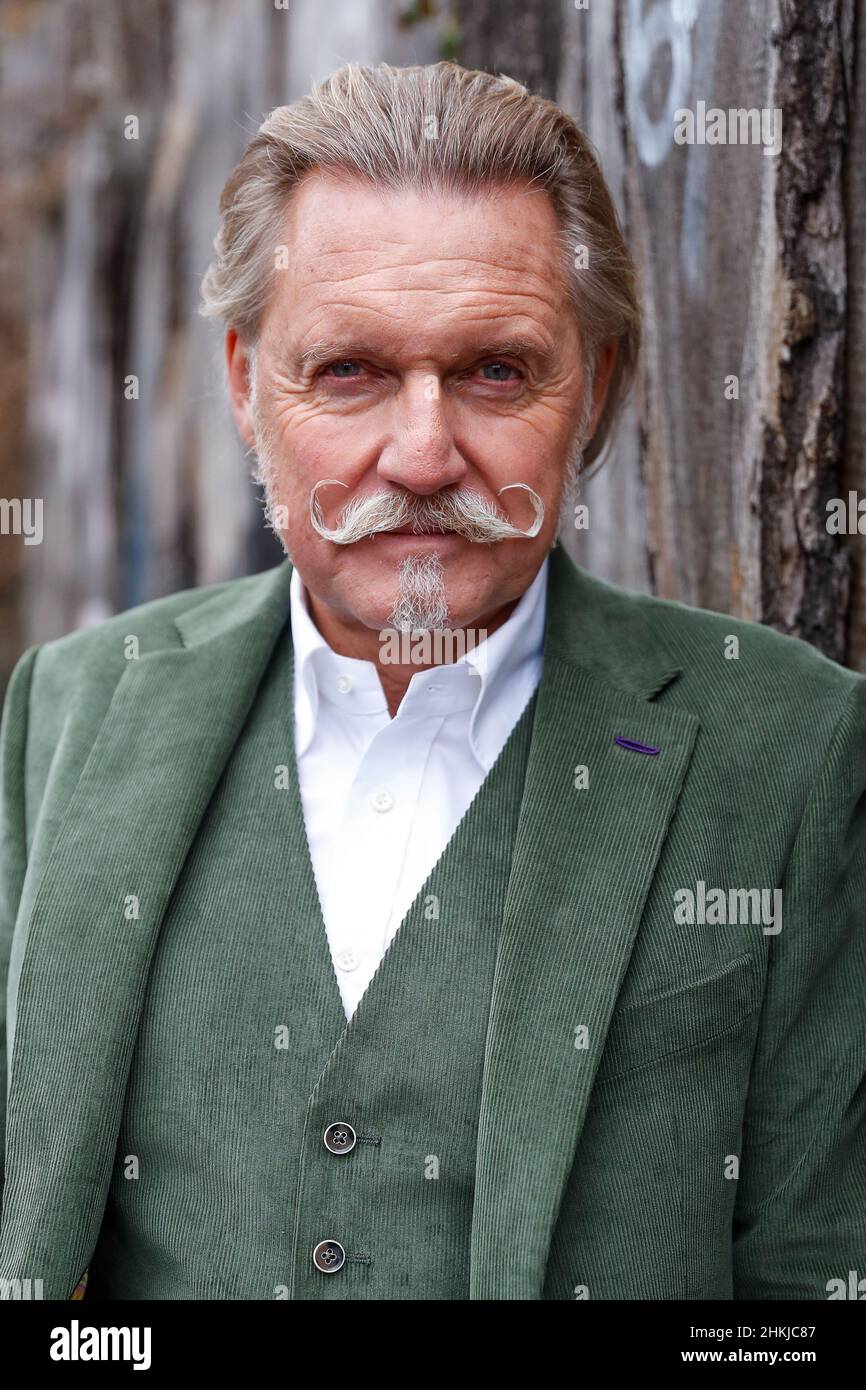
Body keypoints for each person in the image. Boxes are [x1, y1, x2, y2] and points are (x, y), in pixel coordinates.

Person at [1, 61, 864, 1301]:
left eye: (495, 372)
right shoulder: (71, 711)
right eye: (347, 370)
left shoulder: (792, 751)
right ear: (246, 383)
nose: (420, 453)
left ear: (598, 388)